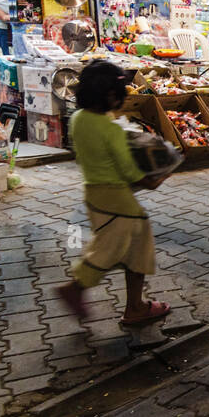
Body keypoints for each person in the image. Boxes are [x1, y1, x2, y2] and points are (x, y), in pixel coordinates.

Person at [56, 61, 170, 326]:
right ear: (109, 95)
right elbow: (129, 171)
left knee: (131, 247)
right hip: (118, 199)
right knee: (110, 250)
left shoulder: (78, 119)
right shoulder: (109, 128)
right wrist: (158, 176)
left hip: (94, 194)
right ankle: (76, 288)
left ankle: (135, 306)